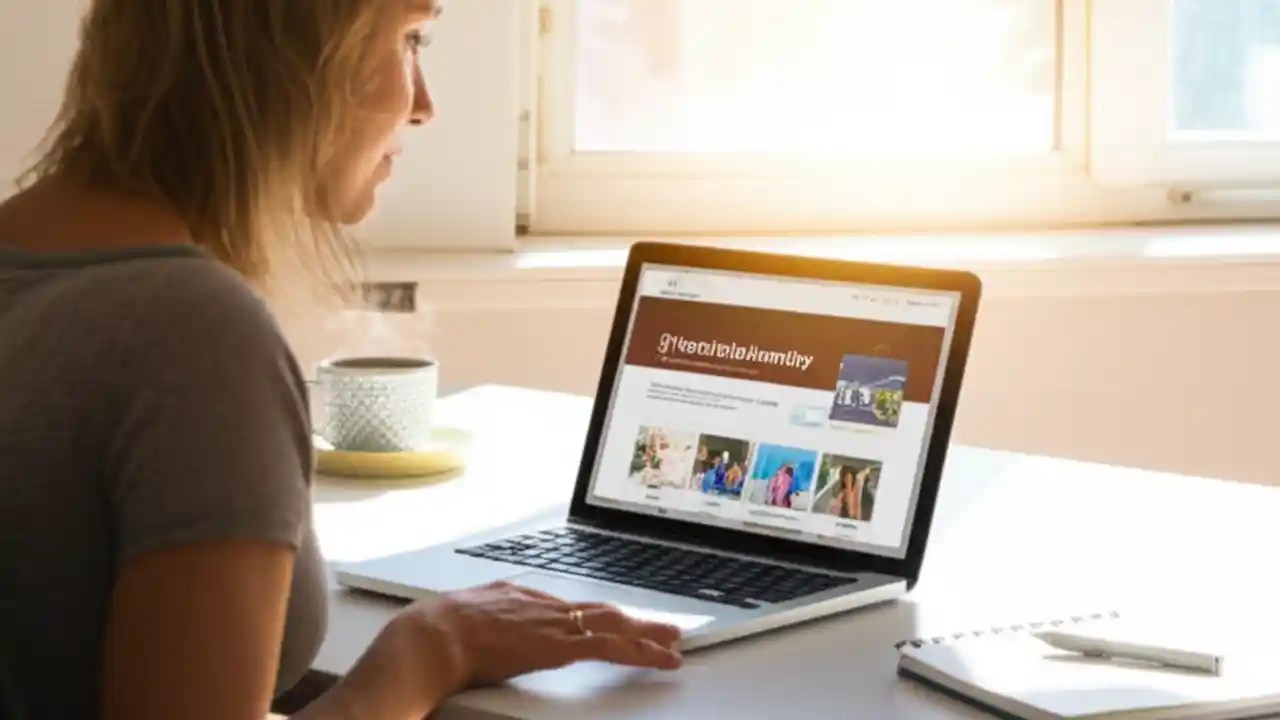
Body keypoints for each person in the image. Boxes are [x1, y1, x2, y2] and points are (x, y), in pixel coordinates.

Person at [0, 2, 681, 719]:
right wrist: (434, 646)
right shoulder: (189, 332)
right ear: (294, 58)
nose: (424, 106)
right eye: (410, 40)